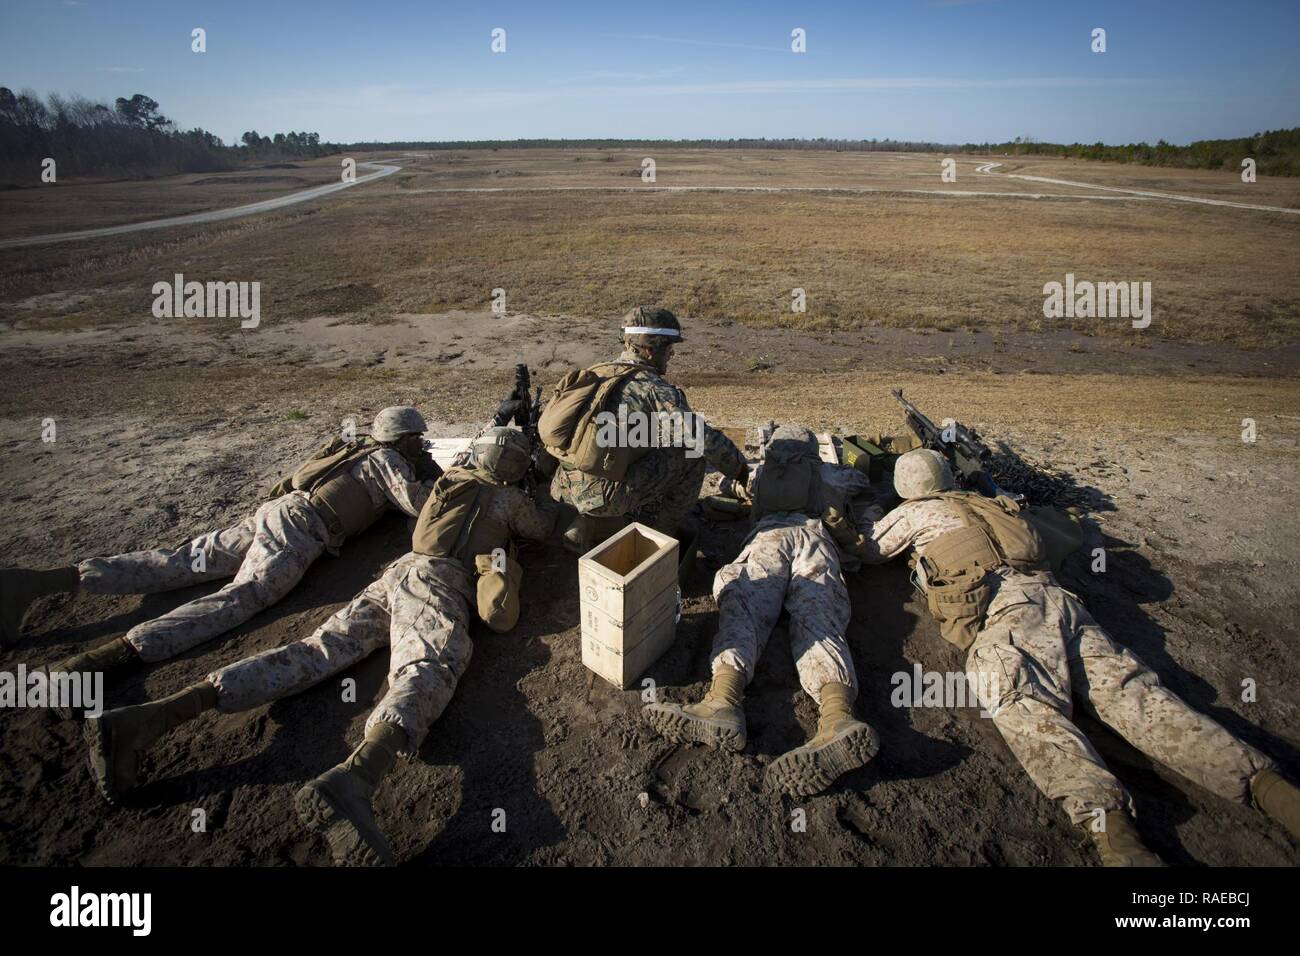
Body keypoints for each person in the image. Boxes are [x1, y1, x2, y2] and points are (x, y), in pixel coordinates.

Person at [85, 426, 554, 866]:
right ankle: (356, 779)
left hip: (397, 573)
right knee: (428, 669)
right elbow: (547, 530)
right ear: (512, 466)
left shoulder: (449, 480)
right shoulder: (507, 500)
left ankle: (158, 714)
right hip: (439, 585)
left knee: (318, 649)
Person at [824, 448, 1300, 864]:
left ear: (909, 489)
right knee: (1137, 697)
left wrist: (863, 516)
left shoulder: (917, 514)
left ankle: (1115, 836)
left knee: (1023, 709)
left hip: (1005, 615)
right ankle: (1271, 791)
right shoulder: (996, 504)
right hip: (1064, 605)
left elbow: (870, 552)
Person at [1, 407, 440, 704]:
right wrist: (434, 477)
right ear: (402, 440)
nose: (420, 445)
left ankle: (46, 581)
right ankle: (102, 660)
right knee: (244, 597)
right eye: (416, 440)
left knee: (182, 559)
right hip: (301, 529)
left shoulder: (354, 446)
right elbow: (422, 509)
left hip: (276, 513)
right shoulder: (388, 461)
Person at [644, 425, 878, 796]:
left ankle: (722, 699)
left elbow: (728, 487)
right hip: (815, 542)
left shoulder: (762, 473)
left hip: (768, 539)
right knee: (820, 618)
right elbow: (861, 480)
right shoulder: (829, 474)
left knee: (745, 605)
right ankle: (837, 716)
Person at [548, 306, 747, 553]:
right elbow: (699, 437)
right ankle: (658, 541)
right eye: (670, 350)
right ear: (651, 350)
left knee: (634, 445)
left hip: (565, 487)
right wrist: (739, 468)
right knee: (692, 456)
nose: (671, 356)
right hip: (604, 495)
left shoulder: (597, 372)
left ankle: (585, 523)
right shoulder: (652, 388)